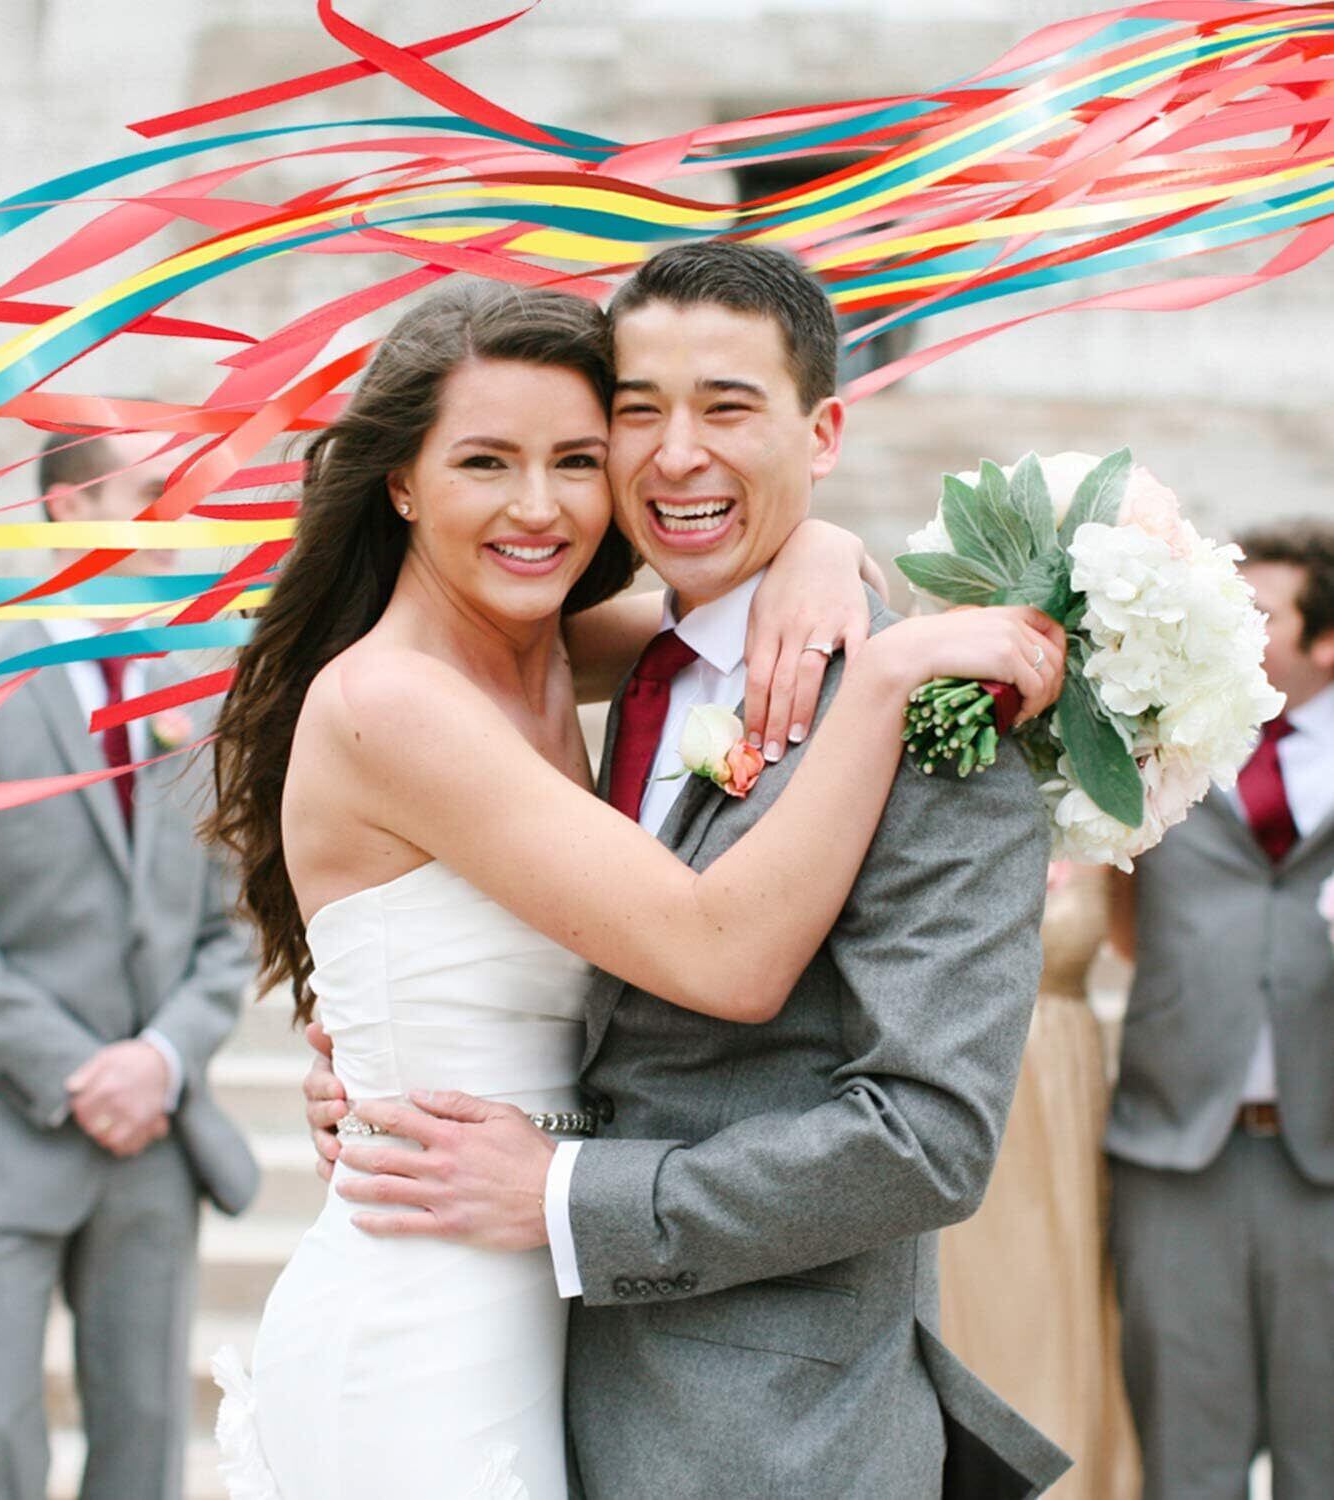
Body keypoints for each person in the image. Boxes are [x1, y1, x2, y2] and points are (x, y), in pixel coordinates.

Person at [226, 247, 1068, 1499]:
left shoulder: (554, 653)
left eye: (574, 459)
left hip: (637, 1361)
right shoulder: (399, 699)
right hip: (428, 1311)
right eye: (484, 462)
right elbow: (717, 953)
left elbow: (721, 608)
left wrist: (825, 548)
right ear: (400, 480)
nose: (540, 507)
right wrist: (882, 676)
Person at [0, 431, 260, 1500]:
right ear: (70, 506)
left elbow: (228, 928)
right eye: (155, 491)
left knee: (143, 1433)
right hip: (1, 1134)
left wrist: (159, 1061)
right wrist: (79, 1074)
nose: (182, 514)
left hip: (155, 1142)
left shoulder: (198, 698)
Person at [1107, 519, 1334, 1500]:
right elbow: (1120, 921)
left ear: (1326, 639)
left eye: (1262, 612)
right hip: (1174, 1152)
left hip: (1326, 1160)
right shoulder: (1156, 742)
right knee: (1185, 1455)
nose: (1234, 626)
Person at [938, 860, 1140, 1500]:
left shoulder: (1123, 819)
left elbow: (1146, 944)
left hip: (1063, 1101)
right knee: (968, 1323)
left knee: (1061, 1320)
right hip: (962, 1093)